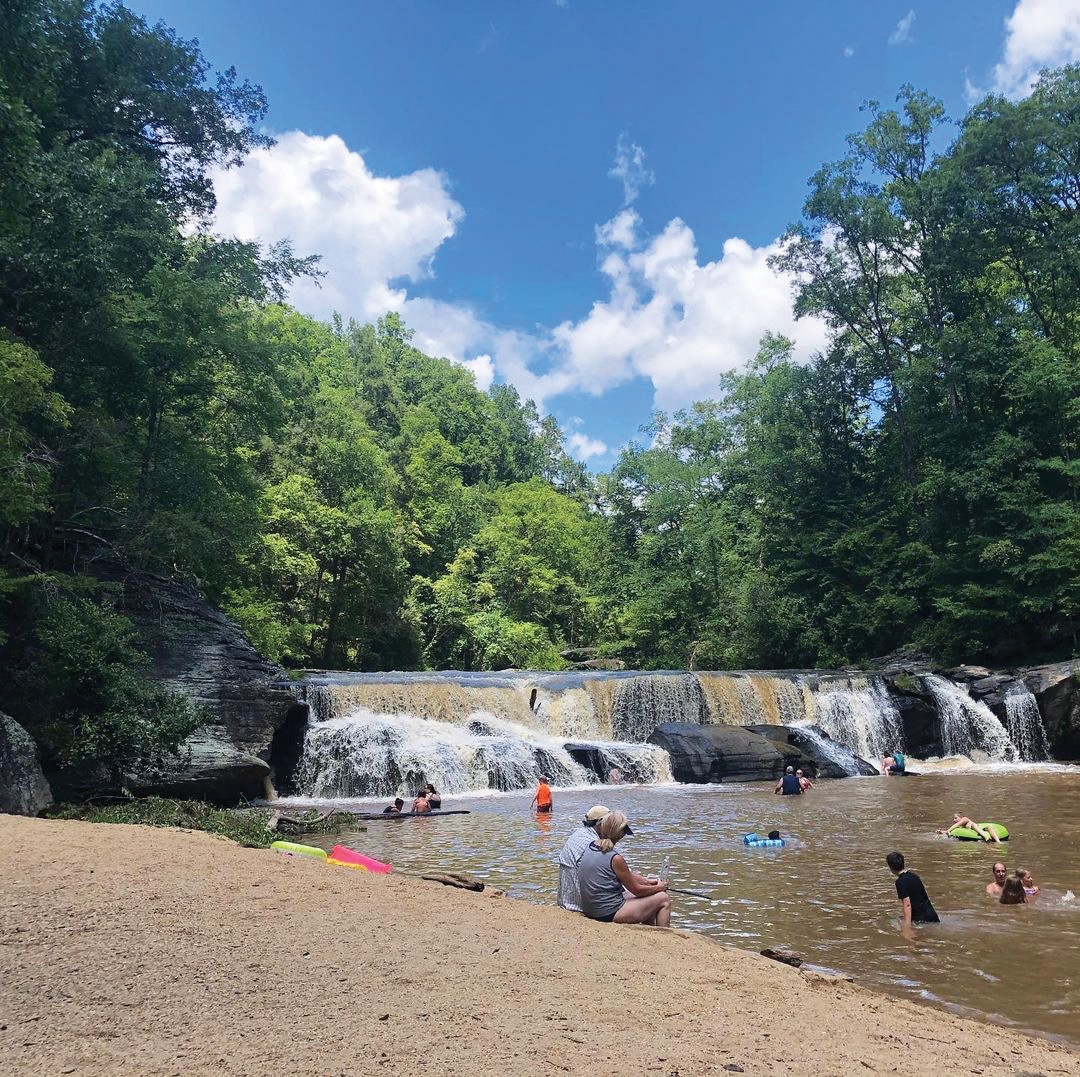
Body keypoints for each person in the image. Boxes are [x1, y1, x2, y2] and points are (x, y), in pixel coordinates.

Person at [577, 811, 672, 926]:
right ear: (621, 834)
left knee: (649, 894)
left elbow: (625, 876)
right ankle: (665, 937)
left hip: (591, 909)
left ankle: (649, 931)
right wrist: (660, 887)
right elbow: (637, 890)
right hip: (606, 913)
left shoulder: (590, 846)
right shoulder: (616, 858)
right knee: (663, 898)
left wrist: (647, 882)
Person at [557, 805, 610, 912]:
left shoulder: (579, 834)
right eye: (610, 822)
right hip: (583, 907)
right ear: (601, 823)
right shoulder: (594, 843)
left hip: (567, 902)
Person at [886, 851, 939, 930]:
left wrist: (907, 927)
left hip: (921, 920)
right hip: (932, 916)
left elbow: (907, 905)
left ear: (891, 867)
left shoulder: (900, 882)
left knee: (893, 922)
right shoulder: (914, 876)